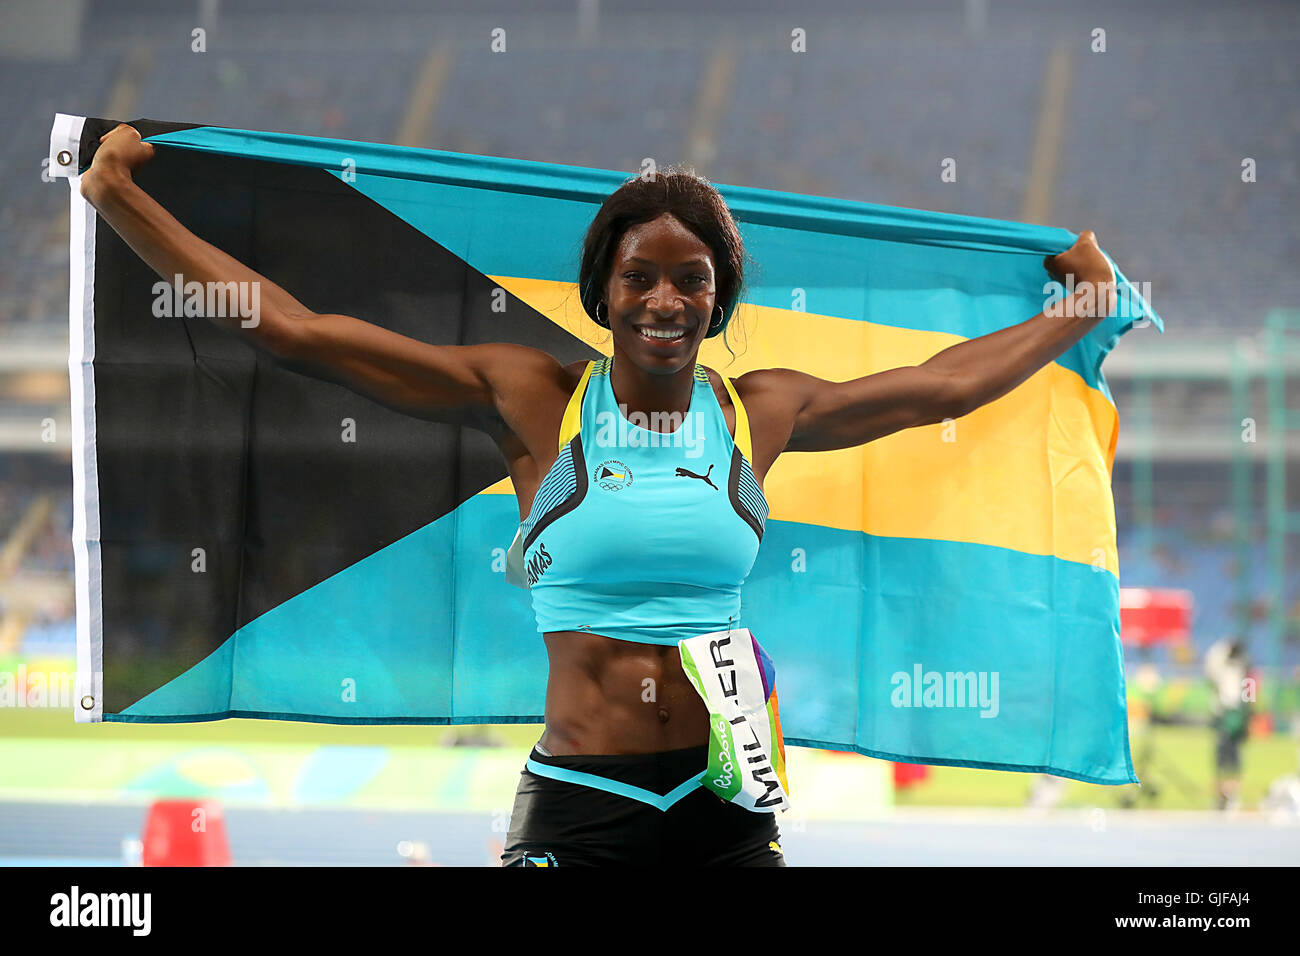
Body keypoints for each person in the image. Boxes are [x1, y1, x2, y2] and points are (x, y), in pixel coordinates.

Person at [79, 123, 1118, 866]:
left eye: (693, 278)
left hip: (724, 797)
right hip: (581, 801)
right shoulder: (532, 399)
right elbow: (297, 334)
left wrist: (1083, 307)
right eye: (640, 277)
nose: (666, 299)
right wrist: (121, 194)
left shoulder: (761, 410)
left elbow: (942, 385)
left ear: (718, 299)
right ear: (602, 290)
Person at [1204, 637, 1252, 810]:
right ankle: (1220, 795)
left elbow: (1249, 690)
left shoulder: (1243, 669)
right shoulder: (1221, 667)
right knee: (1220, 757)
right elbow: (1210, 667)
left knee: (1235, 756)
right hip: (1224, 713)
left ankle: (1233, 795)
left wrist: (1246, 713)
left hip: (1236, 714)